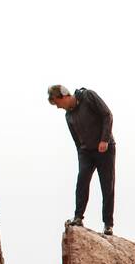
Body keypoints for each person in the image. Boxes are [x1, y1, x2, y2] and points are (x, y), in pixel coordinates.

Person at [47, 84, 115, 236]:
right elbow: (76, 140)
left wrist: (104, 139)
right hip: (86, 152)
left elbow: (107, 115)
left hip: (105, 148)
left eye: (57, 103)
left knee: (107, 185)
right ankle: (78, 217)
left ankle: (108, 224)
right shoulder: (68, 116)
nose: (58, 107)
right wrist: (81, 153)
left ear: (63, 96)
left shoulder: (88, 96)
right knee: (82, 181)